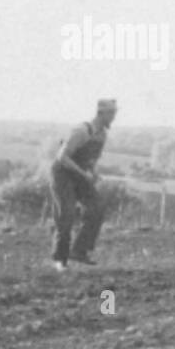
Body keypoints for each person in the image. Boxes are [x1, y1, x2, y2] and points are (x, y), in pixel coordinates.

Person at [50, 98, 117, 271]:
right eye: (111, 113)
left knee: (97, 207)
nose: (113, 117)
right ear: (100, 114)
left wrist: (93, 173)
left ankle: (79, 251)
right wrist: (83, 174)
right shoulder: (81, 131)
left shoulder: (102, 135)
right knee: (67, 213)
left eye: (114, 113)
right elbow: (62, 157)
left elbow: (90, 160)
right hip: (63, 174)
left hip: (81, 175)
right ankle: (60, 260)